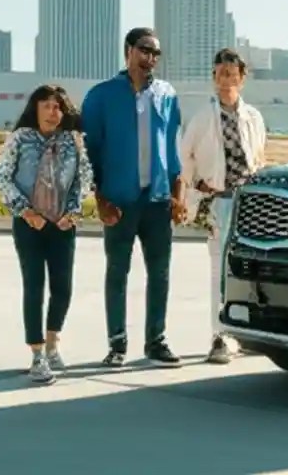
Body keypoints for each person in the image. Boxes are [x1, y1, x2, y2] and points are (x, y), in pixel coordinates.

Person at [81, 27, 187, 368]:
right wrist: (100, 199)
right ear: (129, 50)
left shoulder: (167, 94)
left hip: (157, 201)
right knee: (117, 271)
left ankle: (156, 341)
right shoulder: (101, 96)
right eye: (145, 50)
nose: (151, 58)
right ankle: (117, 343)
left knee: (160, 273)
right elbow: (91, 152)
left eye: (156, 53)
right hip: (119, 200)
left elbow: (173, 149)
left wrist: (177, 194)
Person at [0, 84, 93, 384]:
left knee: (63, 287)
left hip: (62, 223)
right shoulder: (20, 139)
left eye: (58, 106)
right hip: (29, 223)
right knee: (34, 286)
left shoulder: (72, 141)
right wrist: (25, 212)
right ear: (35, 108)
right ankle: (37, 353)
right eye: (47, 105)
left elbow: (84, 178)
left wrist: (73, 212)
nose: (53, 112)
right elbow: (2, 178)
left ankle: (53, 344)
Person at [180, 48, 268, 364]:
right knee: (220, 270)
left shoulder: (253, 117)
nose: (226, 80)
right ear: (214, 78)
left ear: (242, 79)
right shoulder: (203, 117)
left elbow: (259, 156)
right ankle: (219, 336)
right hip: (220, 200)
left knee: (253, 268)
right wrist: (197, 187)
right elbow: (184, 156)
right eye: (220, 74)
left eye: (232, 74)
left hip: (250, 203)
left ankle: (249, 333)